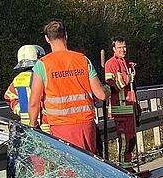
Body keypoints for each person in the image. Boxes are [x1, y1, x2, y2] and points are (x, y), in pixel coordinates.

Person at [30, 19, 107, 153]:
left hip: (60, 127)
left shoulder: (42, 65)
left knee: (68, 165)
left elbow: (34, 103)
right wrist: (108, 89)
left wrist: (33, 125)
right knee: (88, 163)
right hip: (86, 126)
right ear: (66, 35)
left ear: (47, 39)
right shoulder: (83, 60)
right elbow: (101, 94)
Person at [103, 36, 138, 171]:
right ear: (113, 49)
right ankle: (125, 168)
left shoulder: (127, 64)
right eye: (119, 47)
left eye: (124, 47)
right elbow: (110, 87)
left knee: (131, 140)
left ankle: (129, 165)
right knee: (125, 141)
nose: (123, 50)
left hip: (130, 108)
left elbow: (132, 89)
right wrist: (127, 79)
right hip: (120, 109)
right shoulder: (110, 64)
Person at [4, 44, 48, 131]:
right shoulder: (42, 77)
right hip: (45, 125)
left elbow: (8, 97)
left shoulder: (17, 79)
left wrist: (20, 110)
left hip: (26, 126)